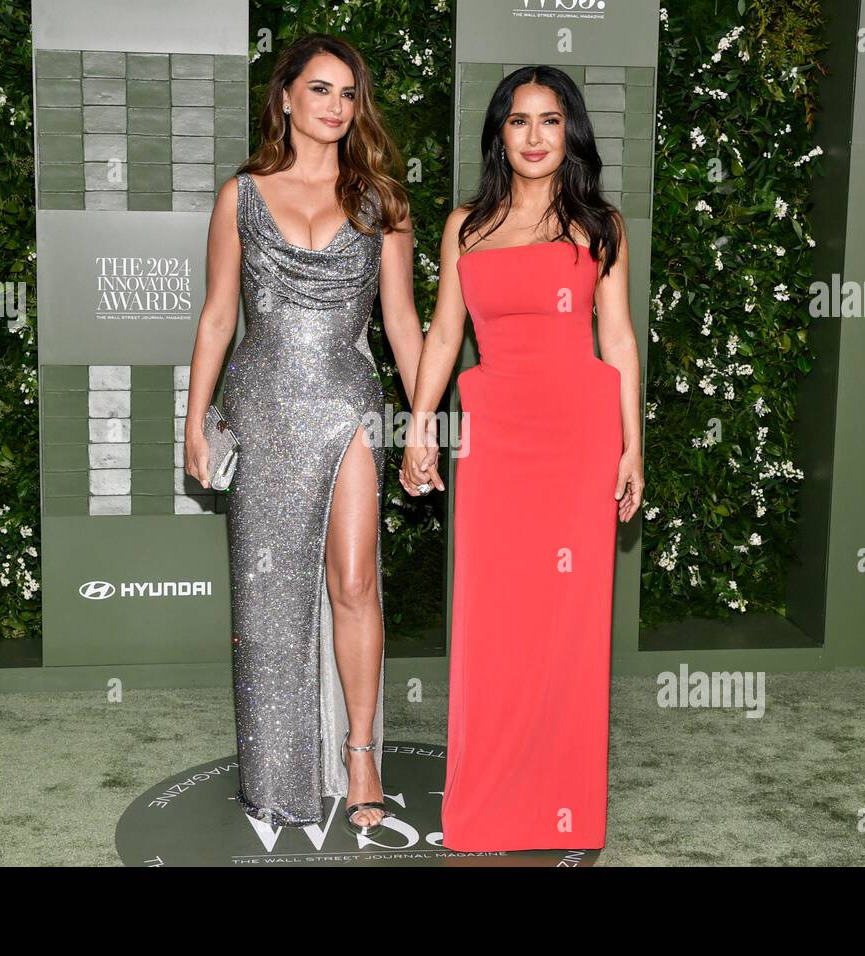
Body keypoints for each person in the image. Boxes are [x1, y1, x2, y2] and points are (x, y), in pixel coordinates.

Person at [400, 65, 645, 851]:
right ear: (498, 133)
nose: (535, 137)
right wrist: (419, 425)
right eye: (518, 121)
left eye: (549, 120)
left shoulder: (599, 224)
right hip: (496, 437)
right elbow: (443, 335)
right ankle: (492, 799)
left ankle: (560, 801)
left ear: (569, 130)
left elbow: (617, 337)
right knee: (494, 619)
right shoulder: (465, 225)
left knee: (567, 624)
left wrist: (632, 442)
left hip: (579, 436)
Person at [184, 34, 423, 834]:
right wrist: (195, 416)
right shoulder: (241, 196)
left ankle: (361, 755)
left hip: (348, 402)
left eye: (348, 94)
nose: (334, 106)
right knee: (270, 592)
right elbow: (220, 314)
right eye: (319, 89)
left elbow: (401, 324)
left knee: (353, 578)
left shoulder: (381, 201)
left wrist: (422, 422)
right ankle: (279, 771)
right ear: (284, 97)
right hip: (260, 404)